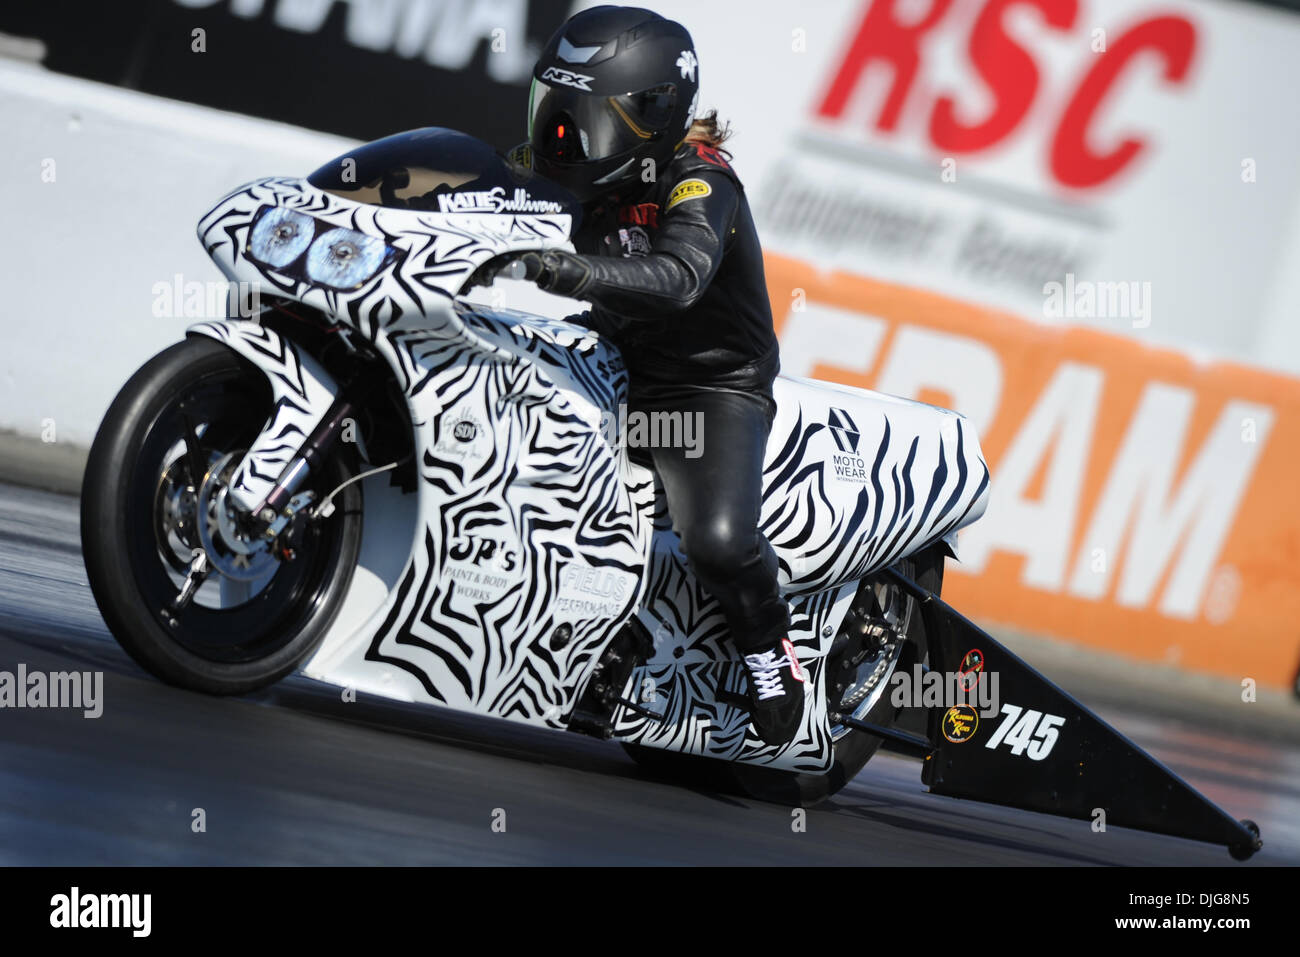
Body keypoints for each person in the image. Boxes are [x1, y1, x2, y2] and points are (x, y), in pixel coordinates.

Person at [498, 5, 805, 745]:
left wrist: (566, 270)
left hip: (708, 387)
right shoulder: (571, 167)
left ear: (650, 116)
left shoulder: (703, 182)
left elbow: (677, 277)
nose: (562, 136)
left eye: (584, 118)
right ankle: (585, 639)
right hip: (615, 353)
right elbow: (490, 196)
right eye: (557, 111)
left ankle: (772, 649)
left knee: (719, 540)